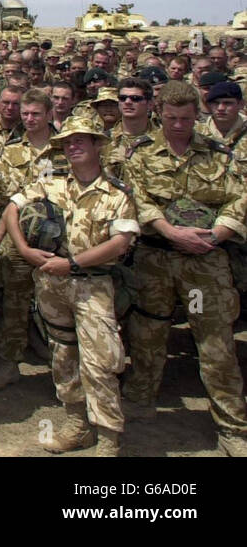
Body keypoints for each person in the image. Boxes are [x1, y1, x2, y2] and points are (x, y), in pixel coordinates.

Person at [122, 80, 247, 456]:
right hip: (156, 259)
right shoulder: (141, 154)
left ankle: (232, 425)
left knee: (214, 342)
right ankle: (140, 399)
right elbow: (137, 200)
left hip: (204, 263)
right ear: (160, 113)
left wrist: (217, 234)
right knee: (148, 332)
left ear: (198, 115)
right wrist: (170, 231)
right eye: (173, 118)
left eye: (187, 118)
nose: (179, 125)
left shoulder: (218, 154)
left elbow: (239, 200)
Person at [4, 116, 138, 456]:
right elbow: (12, 207)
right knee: (63, 356)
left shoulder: (116, 192)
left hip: (92, 285)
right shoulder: (52, 182)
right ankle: (77, 424)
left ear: (97, 145)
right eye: (67, 142)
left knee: (101, 362)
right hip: (52, 285)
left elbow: (121, 241)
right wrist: (23, 248)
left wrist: (74, 263)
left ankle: (108, 437)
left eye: (81, 140)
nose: (73, 146)